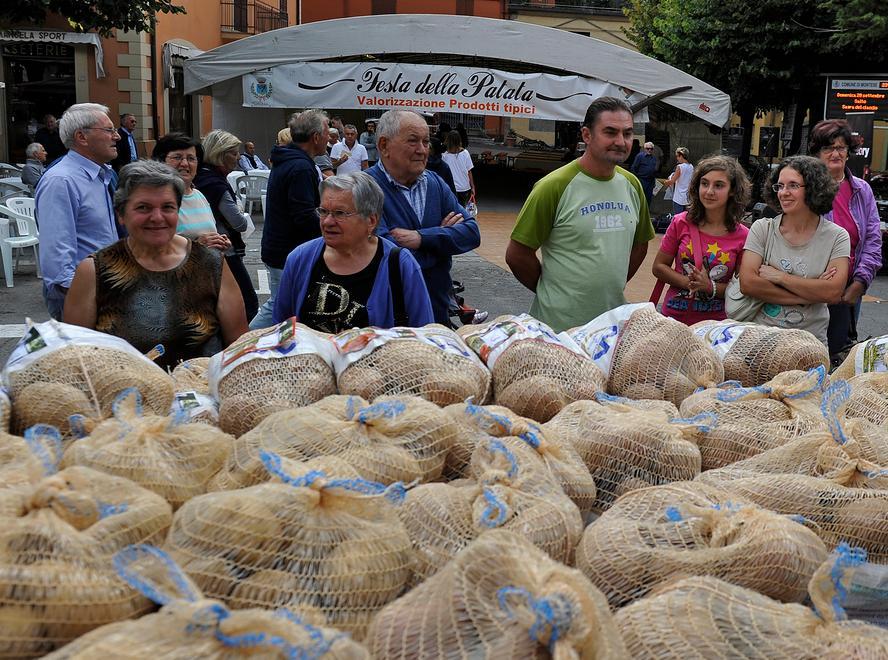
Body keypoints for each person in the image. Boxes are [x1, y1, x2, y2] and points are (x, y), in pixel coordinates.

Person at [63, 160, 247, 369]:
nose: (157, 217)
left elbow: (238, 348)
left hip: (199, 395)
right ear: (121, 215)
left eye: (168, 207)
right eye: (143, 207)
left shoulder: (211, 264)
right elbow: (74, 357)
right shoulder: (95, 271)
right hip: (120, 397)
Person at [506, 96, 654, 332]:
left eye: (627, 133)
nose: (621, 141)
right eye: (610, 132)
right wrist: (552, 292)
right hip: (558, 328)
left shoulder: (632, 185)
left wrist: (611, 286)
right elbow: (517, 255)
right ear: (587, 135)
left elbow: (641, 245)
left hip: (610, 327)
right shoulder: (553, 186)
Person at [274, 172, 434, 330]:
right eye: (323, 211)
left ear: (371, 220)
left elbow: (424, 337)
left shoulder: (400, 264)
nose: (328, 221)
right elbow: (281, 329)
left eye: (340, 213)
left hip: (380, 357)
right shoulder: (300, 258)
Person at [366, 109, 481, 326]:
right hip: (388, 320)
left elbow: (472, 234)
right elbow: (382, 257)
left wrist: (422, 238)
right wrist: (443, 245)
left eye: (426, 142)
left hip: (436, 314)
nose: (422, 150)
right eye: (413, 141)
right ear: (383, 146)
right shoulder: (364, 188)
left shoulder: (435, 183)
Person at [737, 155, 850, 346]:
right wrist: (810, 293)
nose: (783, 192)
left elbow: (832, 293)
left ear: (814, 187)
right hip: (759, 340)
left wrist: (780, 278)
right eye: (780, 186)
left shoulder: (837, 237)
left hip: (810, 344)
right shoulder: (762, 229)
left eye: (793, 185)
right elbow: (748, 284)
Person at [35, 103, 121, 320]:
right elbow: (57, 260)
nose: (117, 136)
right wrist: (84, 299)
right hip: (81, 297)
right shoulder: (61, 180)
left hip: (105, 290)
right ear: (82, 137)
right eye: (109, 130)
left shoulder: (101, 175)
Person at [809, 119, 882, 365]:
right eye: (829, 147)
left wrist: (860, 282)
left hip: (850, 288)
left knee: (840, 354)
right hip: (810, 285)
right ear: (817, 153)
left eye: (841, 147)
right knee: (810, 352)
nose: (836, 153)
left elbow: (873, 238)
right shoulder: (805, 190)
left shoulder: (862, 190)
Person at [252, 109, 329, 329]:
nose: (329, 138)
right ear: (315, 137)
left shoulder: (289, 159)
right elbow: (304, 215)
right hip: (286, 251)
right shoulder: (301, 167)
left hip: (279, 248)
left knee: (283, 305)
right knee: (278, 306)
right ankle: (241, 341)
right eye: (326, 133)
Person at [651, 155, 751, 325]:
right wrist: (688, 282)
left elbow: (742, 289)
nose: (709, 191)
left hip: (716, 328)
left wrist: (709, 286)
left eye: (718, 185)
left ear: (733, 190)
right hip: (673, 321)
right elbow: (659, 267)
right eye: (704, 183)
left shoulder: (744, 235)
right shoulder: (680, 222)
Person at [193, 129, 258, 322]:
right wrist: (239, 208)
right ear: (220, 155)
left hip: (206, 252)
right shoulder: (216, 184)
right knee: (247, 303)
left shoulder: (201, 178)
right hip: (225, 251)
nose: (238, 158)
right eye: (234, 153)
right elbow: (239, 223)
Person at [152, 133, 231, 252]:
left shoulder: (198, 195)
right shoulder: (155, 200)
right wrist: (195, 246)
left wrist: (220, 241)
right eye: (177, 157)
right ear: (161, 162)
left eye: (191, 158)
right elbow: (152, 247)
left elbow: (207, 233)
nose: (185, 163)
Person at [442, 130, 476, 207]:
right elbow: (469, 171)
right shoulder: (465, 153)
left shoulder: (444, 155)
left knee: (452, 211)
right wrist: (473, 187)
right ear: (459, 140)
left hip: (450, 188)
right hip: (464, 188)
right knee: (463, 210)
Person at [666, 147, 693, 215]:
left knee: (678, 218)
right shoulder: (691, 167)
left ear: (681, 156)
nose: (677, 158)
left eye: (677, 156)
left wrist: (664, 182)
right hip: (687, 198)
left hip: (678, 198)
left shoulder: (679, 167)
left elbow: (672, 181)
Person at [630, 141, 658, 206]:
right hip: (642, 180)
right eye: (648, 148)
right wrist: (636, 180)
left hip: (650, 181)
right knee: (640, 197)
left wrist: (654, 182)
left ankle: (646, 212)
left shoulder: (653, 158)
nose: (649, 150)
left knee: (648, 198)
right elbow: (634, 168)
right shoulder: (640, 156)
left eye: (651, 149)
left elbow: (653, 170)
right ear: (645, 149)